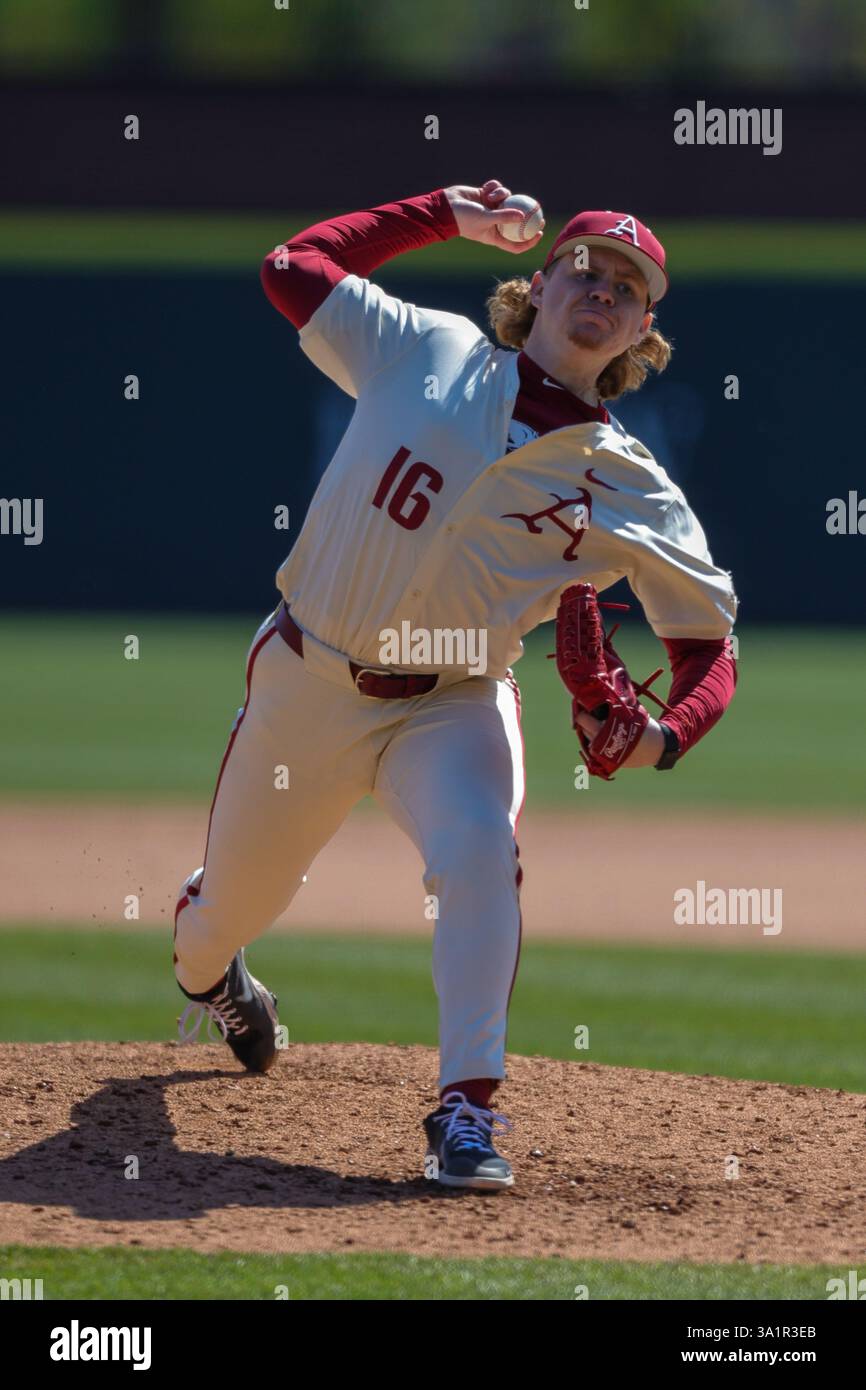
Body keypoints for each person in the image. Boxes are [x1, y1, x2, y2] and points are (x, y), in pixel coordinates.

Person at [173, 180, 737, 1192]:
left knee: (482, 848)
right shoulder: (423, 346)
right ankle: (218, 977)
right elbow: (291, 268)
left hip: (453, 698)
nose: (600, 289)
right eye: (584, 267)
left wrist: (656, 737)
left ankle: (465, 1113)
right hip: (308, 678)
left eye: (626, 286)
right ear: (541, 279)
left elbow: (707, 647)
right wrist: (442, 211)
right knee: (218, 922)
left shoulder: (629, 480)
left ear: (641, 328)